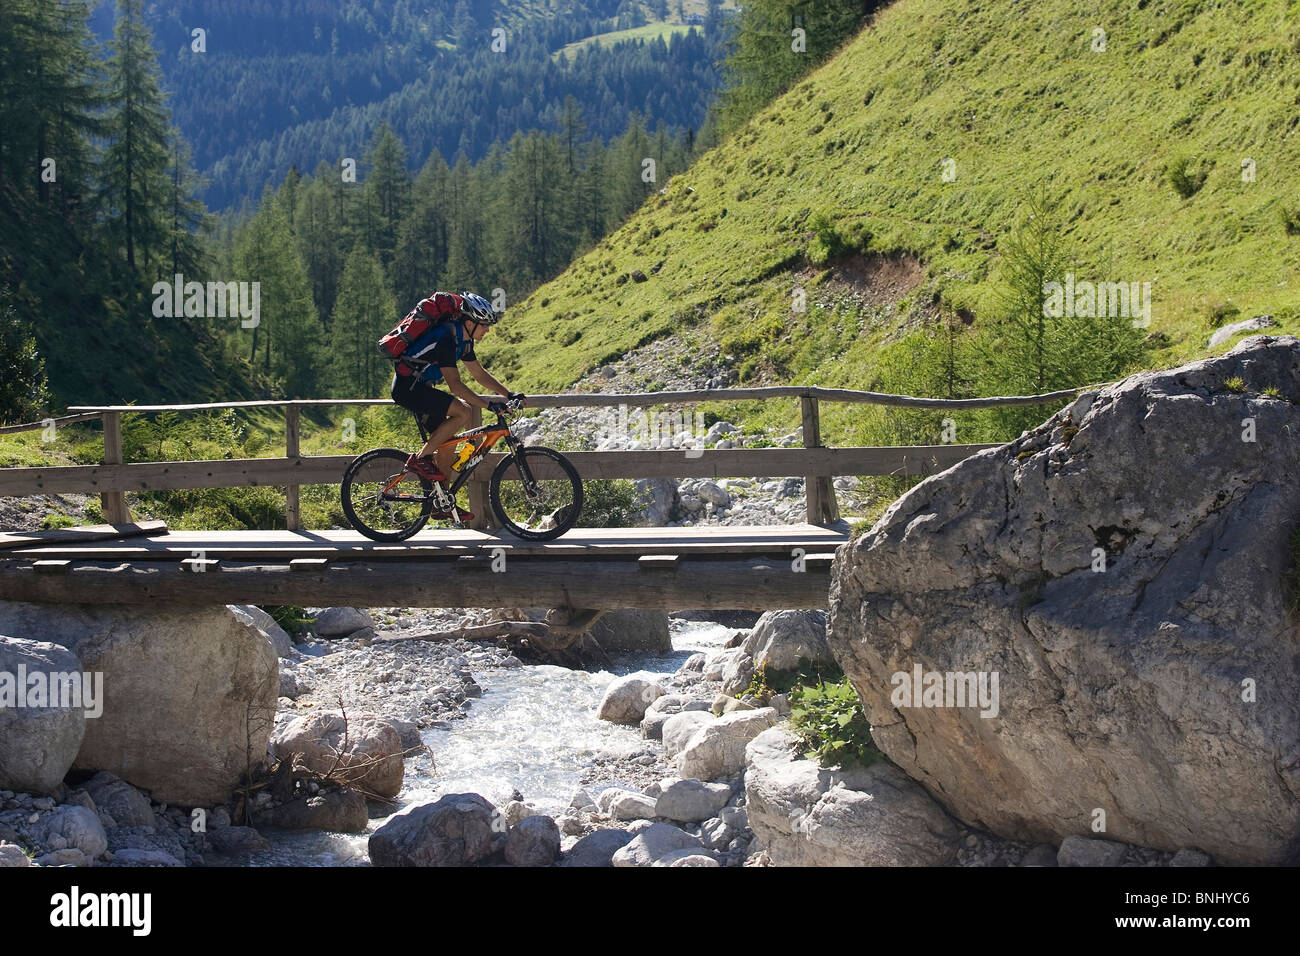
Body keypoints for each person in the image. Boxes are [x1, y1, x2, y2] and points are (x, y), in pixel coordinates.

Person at [389, 291, 522, 519]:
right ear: (469, 322)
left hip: (420, 387)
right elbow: (456, 386)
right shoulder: (447, 339)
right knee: (463, 411)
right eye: (484, 325)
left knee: (448, 444)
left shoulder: (464, 340)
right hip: (408, 389)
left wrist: (507, 393)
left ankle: (442, 504)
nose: (487, 329)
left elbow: (479, 374)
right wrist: (488, 405)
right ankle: (420, 459)